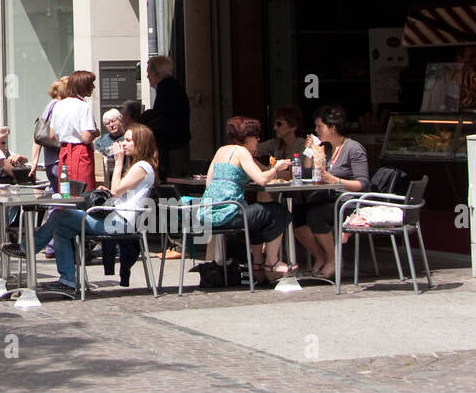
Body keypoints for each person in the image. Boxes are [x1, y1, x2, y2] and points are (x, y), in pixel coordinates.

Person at [9, 123, 162, 292]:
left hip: (120, 222)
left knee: (60, 216)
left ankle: (28, 248)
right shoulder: (140, 166)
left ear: (140, 143)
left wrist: (118, 164)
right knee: (61, 230)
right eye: (124, 139)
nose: (123, 143)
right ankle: (67, 281)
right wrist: (109, 191)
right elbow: (120, 192)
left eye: (128, 140)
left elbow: (118, 190)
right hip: (116, 218)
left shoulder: (142, 167)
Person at [199, 116, 293, 282]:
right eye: (255, 136)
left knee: (258, 214)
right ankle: (272, 262)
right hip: (229, 214)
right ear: (246, 137)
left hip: (207, 214)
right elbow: (262, 180)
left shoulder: (221, 150)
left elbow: (209, 183)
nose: (258, 139)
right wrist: (277, 168)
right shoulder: (242, 152)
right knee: (279, 212)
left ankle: (256, 265)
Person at [294, 103, 370, 278]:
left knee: (316, 214)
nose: (316, 130)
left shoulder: (353, 148)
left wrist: (335, 180)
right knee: (296, 214)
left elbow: (362, 183)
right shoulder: (326, 147)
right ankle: (320, 256)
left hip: (348, 203)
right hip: (327, 199)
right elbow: (307, 170)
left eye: (319, 126)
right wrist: (309, 151)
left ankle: (333, 260)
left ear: (333, 127)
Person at [139, 56, 191, 180]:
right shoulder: (171, 87)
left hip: (173, 146)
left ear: (156, 73)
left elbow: (162, 118)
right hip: (178, 144)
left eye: (148, 72)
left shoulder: (166, 89)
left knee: (173, 181)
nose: (147, 76)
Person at [50, 71, 99, 193]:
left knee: (66, 193)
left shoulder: (59, 105)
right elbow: (86, 137)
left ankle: (66, 212)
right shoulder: (83, 106)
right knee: (84, 194)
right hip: (81, 153)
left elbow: (52, 135)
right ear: (82, 85)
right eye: (90, 84)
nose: (93, 87)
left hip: (64, 152)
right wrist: (96, 133)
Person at [29, 78, 68, 192]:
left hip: (49, 162)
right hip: (59, 160)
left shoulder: (49, 105)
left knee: (55, 194)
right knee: (64, 198)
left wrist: (34, 162)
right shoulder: (60, 106)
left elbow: (38, 136)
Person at [93, 109, 125, 179]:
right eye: (107, 123)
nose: (111, 125)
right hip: (106, 177)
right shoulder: (100, 141)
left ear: (120, 121)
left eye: (113, 121)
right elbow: (97, 154)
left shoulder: (127, 138)